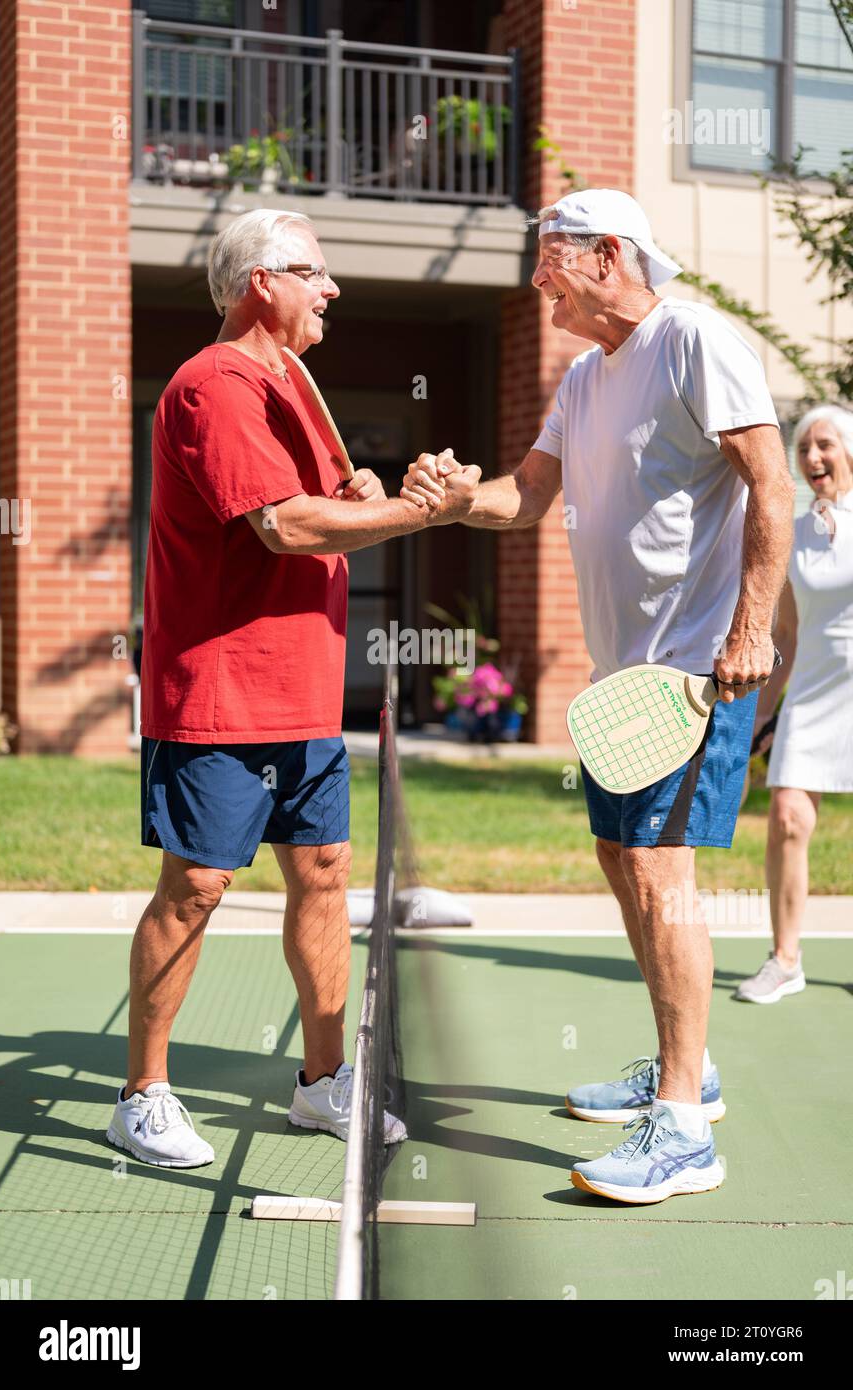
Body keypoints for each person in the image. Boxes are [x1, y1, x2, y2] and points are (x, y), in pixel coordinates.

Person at [402, 188, 795, 1204]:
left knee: (663, 874)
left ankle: (683, 1130)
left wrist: (751, 631)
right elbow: (527, 495)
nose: (538, 281)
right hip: (623, 681)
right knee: (621, 859)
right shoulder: (582, 378)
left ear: (609, 254)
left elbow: (772, 482)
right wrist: (454, 501)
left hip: (698, 672)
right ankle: (687, 1067)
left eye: (549, 261)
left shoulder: (693, 341)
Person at [107, 208, 478, 1167]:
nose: (333, 289)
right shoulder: (217, 382)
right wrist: (406, 515)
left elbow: (334, 505)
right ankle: (142, 1093)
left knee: (322, 876)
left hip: (304, 693)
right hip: (220, 693)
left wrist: (392, 491)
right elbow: (281, 527)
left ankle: (321, 1086)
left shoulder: (290, 382)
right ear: (260, 281)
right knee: (194, 888)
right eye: (316, 272)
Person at [737, 405, 853, 1003]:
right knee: (786, 817)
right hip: (811, 690)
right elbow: (784, 633)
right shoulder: (795, 534)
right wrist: (763, 712)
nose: (813, 458)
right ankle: (785, 960)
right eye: (803, 448)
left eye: (825, 445)